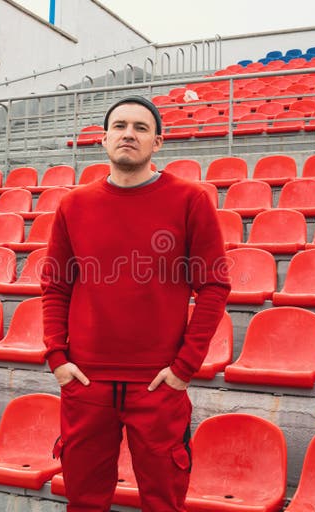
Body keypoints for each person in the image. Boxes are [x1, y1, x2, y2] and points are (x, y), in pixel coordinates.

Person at [41, 96, 230, 511]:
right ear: (104, 139)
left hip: (158, 385)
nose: (129, 133)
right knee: (84, 501)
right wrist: (57, 358)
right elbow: (55, 286)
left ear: (157, 142)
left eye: (141, 128)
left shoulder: (189, 200)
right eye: (120, 126)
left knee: (164, 502)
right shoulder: (74, 205)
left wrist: (184, 369)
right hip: (86, 384)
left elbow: (214, 286)